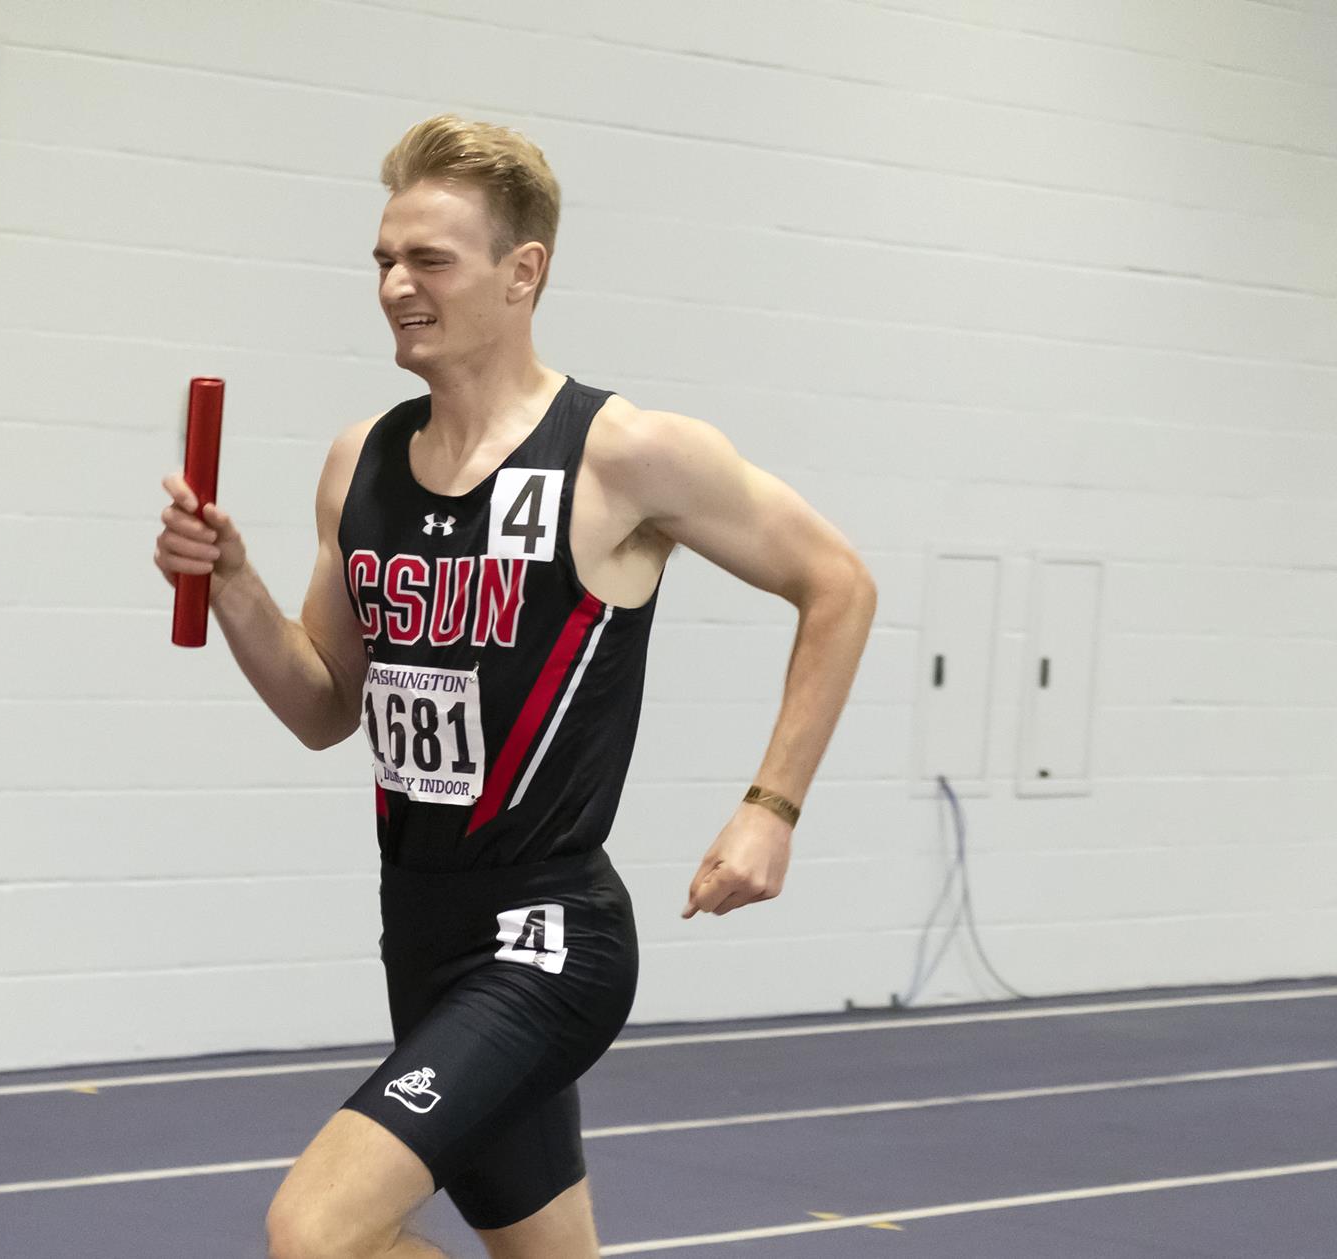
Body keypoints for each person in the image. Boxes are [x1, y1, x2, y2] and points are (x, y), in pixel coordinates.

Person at [154, 114, 876, 1259]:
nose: (395, 284)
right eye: (383, 260)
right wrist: (234, 585)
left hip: (546, 938)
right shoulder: (362, 463)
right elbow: (321, 705)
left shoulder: (621, 452)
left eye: (429, 260)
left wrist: (769, 806)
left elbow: (836, 582)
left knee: (317, 1231)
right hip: (419, 930)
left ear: (521, 272)